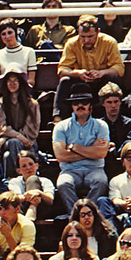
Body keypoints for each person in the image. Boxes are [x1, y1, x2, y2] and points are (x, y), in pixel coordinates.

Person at [53, 85, 110, 216]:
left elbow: (101, 153)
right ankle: (77, 216)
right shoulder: (61, 127)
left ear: (90, 104)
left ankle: (89, 215)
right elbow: (60, 155)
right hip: (70, 170)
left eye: (84, 102)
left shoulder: (101, 126)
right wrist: (91, 149)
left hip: (95, 169)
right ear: (71, 106)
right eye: (75, 103)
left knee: (101, 182)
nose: (80, 105)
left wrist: (74, 147)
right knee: (63, 183)